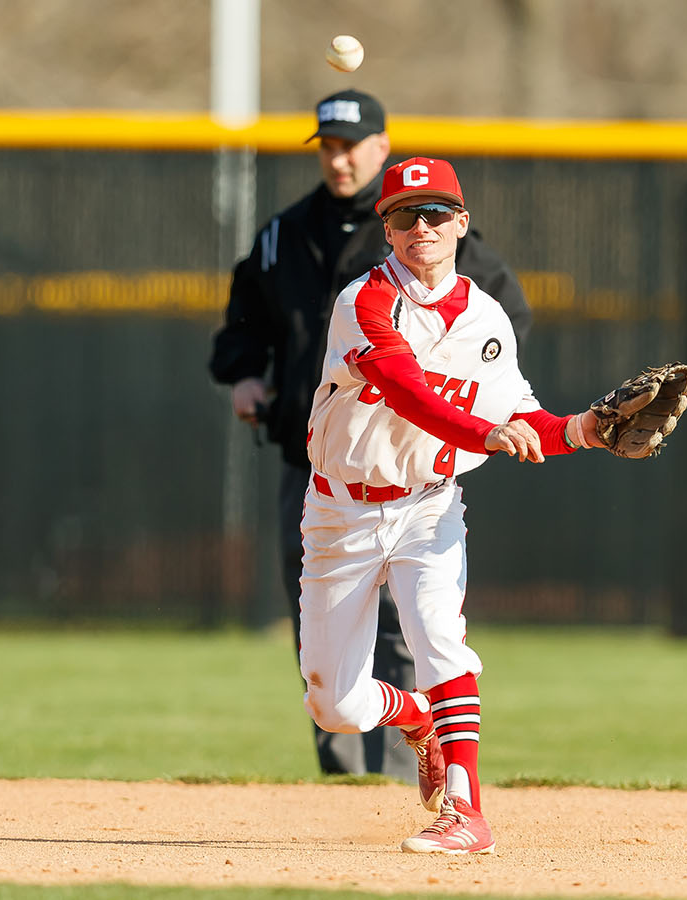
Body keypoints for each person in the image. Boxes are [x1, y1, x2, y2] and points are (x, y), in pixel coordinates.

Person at [208, 90, 531, 781]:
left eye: (351, 144)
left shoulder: (441, 236)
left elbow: (502, 324)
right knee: (325, 652)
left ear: (381, 148)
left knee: (416, 627)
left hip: (415, 475)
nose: (338, 157)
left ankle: (411, 766)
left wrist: (484, 403)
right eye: (327, 145)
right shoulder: (285, 234)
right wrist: (243, 373)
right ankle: (346, 772)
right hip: (316, 463)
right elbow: (246, 317)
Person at [298, 155, 606, 855]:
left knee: (439, 636)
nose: (422, 227)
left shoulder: (487, 318)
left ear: (463, 224)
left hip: (427, 507)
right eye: (405, 215)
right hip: (340, 511)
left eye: (437, 213)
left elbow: (522, 418)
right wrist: (484, 434)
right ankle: (414, 717)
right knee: (335, 707)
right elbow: (408, 390)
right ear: (387, 231)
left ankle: (465, 812)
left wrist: (586, 431)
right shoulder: (363, 304)